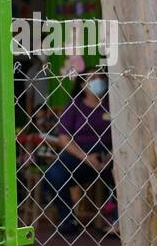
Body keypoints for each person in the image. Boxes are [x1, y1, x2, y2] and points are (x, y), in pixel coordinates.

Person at [43, 72, 113, 237]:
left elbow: (124, 134)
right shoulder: (75, 105)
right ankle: (68, 219)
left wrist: (111, 156)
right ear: (83, 85)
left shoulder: (112, 105)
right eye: (93, 79)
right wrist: (87, 158)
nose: (98, 82)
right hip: (79, 155)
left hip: (109, 154)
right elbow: (63, 138)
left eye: (100, 78)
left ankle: (116, 220)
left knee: (121, 172)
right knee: (53, 174)